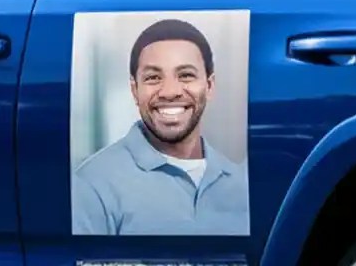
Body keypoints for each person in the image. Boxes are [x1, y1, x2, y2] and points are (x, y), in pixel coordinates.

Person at [72, 19, 249, 236]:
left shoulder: (242, 183)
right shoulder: (91, 184)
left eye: (186, 75)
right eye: (153, 77)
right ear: (135, 90)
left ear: (209, 86)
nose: (170, 92)